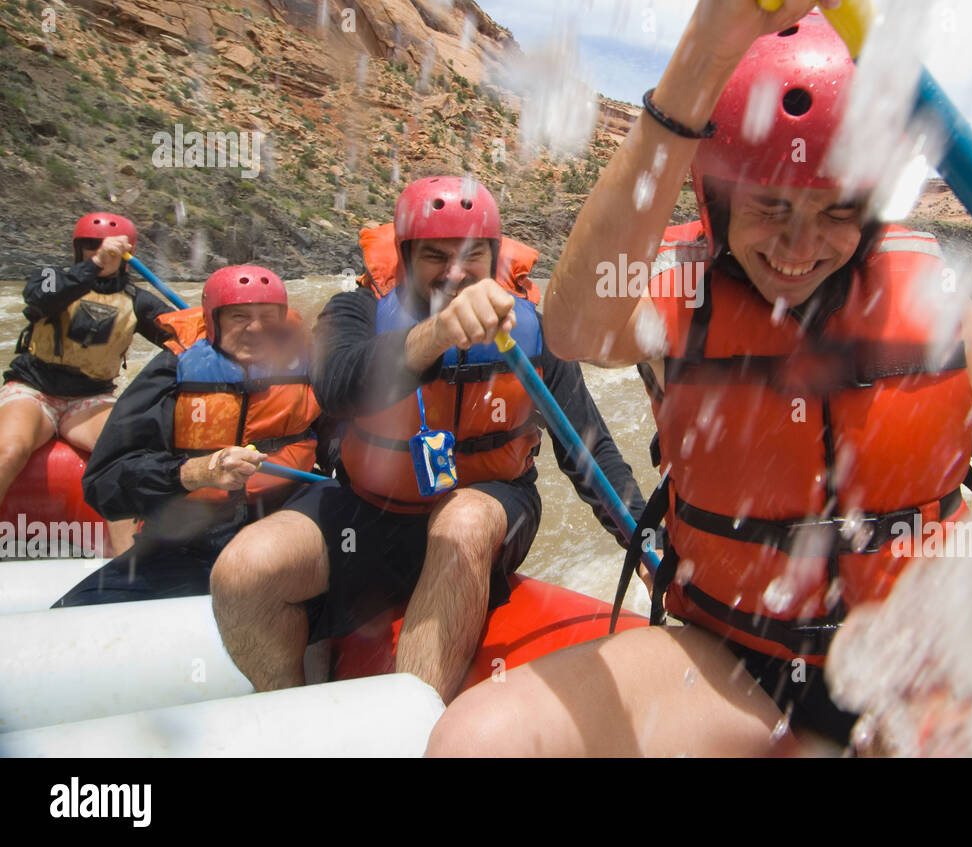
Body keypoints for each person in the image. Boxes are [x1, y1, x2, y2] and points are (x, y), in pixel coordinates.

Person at [425, 0, 972, 758]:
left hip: (917, 663)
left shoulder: (937, 306)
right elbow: (574, 327)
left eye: (835, 210)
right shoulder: (679, 290)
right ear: (718, 200)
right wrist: (711, 38)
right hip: (730, 660)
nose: (801, 245)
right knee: (478, 740)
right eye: (771, 205)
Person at [210, 175, 647, 703]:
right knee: (243, 571)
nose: (455, 273)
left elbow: (589, 450)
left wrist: (643, 544)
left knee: (461, 520)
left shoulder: (537, 332)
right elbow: (336, 386)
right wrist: (436, 334)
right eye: (435, 256)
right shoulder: (355, 312)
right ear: (405, 255)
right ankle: (289, 712)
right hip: (366, 508)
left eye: (472, 255)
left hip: (490, 508)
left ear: (494, 253)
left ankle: (407, 731)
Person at [52, 265, 323, 606]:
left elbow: (339, 445)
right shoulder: (171, 374)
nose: (255, 328)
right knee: (72, 613)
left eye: (268, 316)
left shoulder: (308, 368)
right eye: (239, 316)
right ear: (213, 321)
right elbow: (104, 485)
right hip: (188, 541)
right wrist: (195, 473)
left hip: (280, 529)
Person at [1, 213, 173, 555]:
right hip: (34, 390)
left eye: (106, 247)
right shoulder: (51, 278)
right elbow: (43, 299)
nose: (99, 251)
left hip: (91, 399)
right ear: (79, 250)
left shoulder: (139, 302)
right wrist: (95, 265)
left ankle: (127, 562)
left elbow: (181, 340)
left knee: (124, 458)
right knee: (10, 449)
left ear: (127, 253)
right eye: (89, 246)